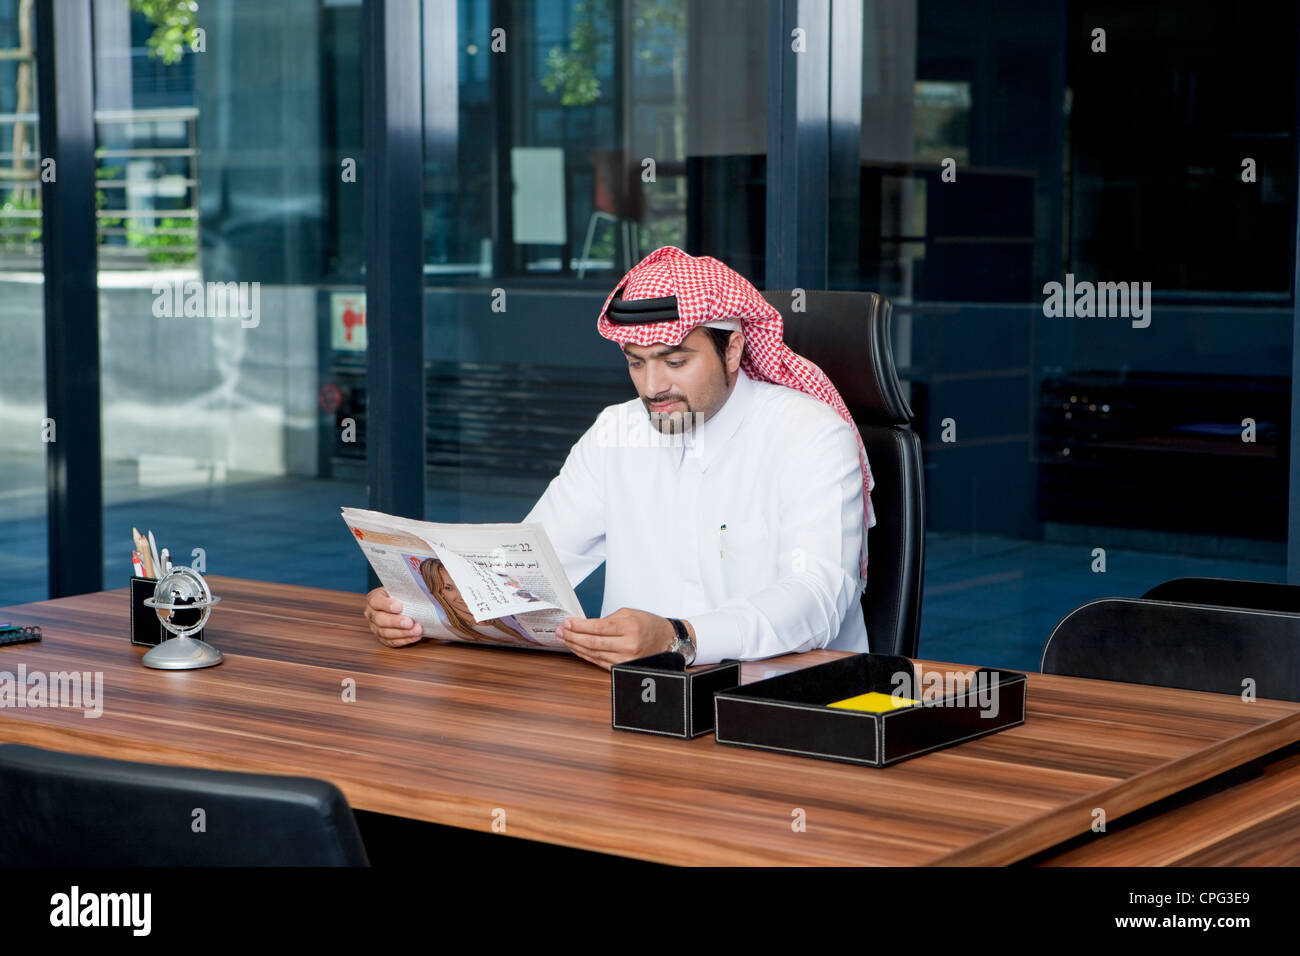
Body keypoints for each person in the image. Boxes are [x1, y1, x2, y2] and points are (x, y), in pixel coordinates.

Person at [365, 246, 874, 668]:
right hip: (633, 706)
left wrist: (680, 636)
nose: (653, 387)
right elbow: (530, 569)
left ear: (735, 350)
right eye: (637, 363)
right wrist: (420, 605)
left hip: (784, 708)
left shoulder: (811, 436)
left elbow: (817, 600)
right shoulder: (617, 430)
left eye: (675, 361)